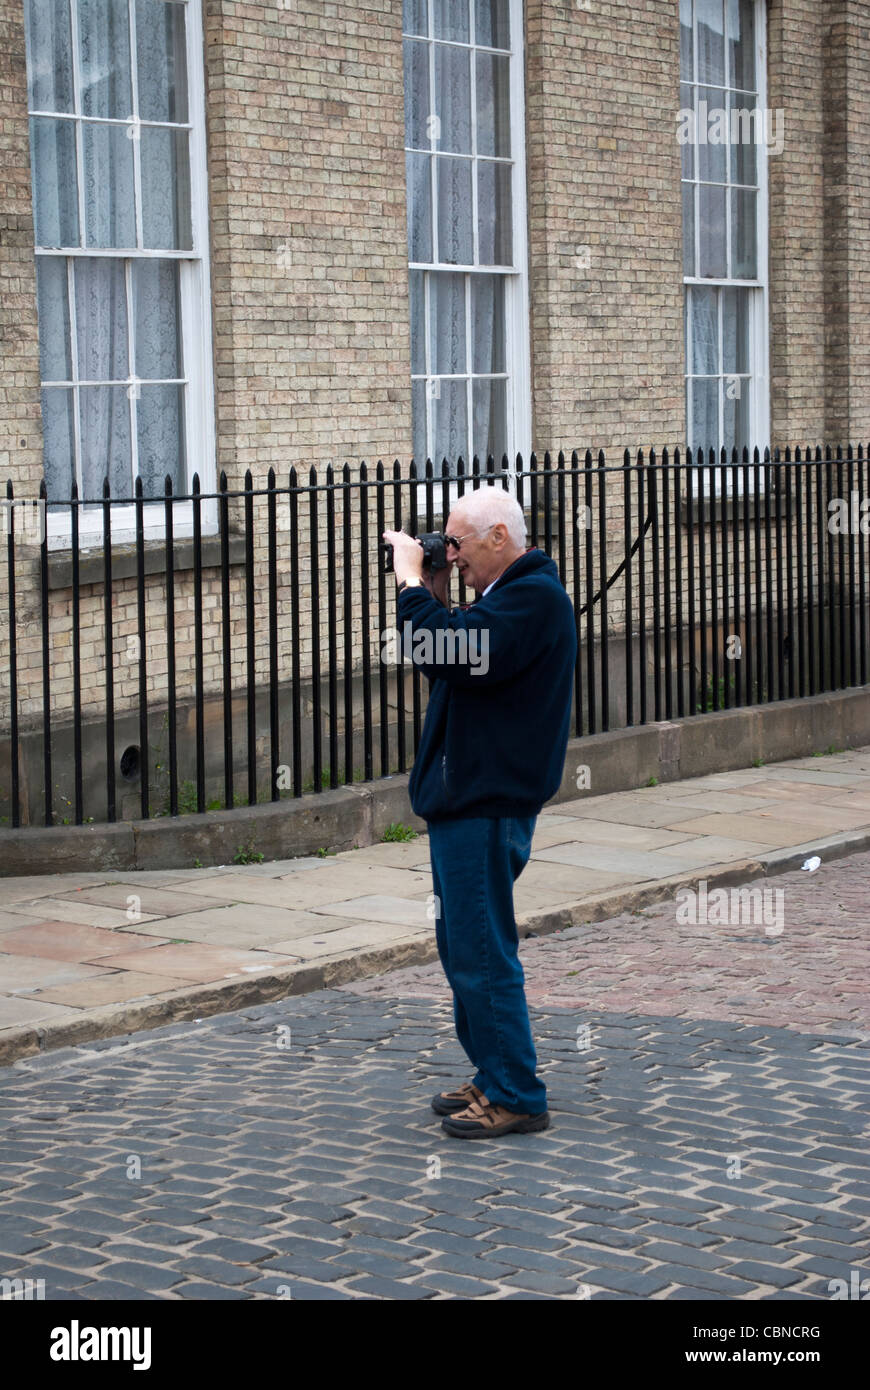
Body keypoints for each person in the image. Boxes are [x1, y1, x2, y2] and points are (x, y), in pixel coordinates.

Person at [382, 487, 577, 1139]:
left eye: (459, 544)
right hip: (471, 800)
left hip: (487, 804)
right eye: (446, 545)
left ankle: (518, 1093)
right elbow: (456, 660)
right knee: (461, 945)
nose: (453, 555)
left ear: (500, 537)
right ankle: (493, 1074)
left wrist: (412, 585)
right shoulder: (507, 597)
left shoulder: (533, 598)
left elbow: (444, 653)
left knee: (482, 951)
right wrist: (434, 594)